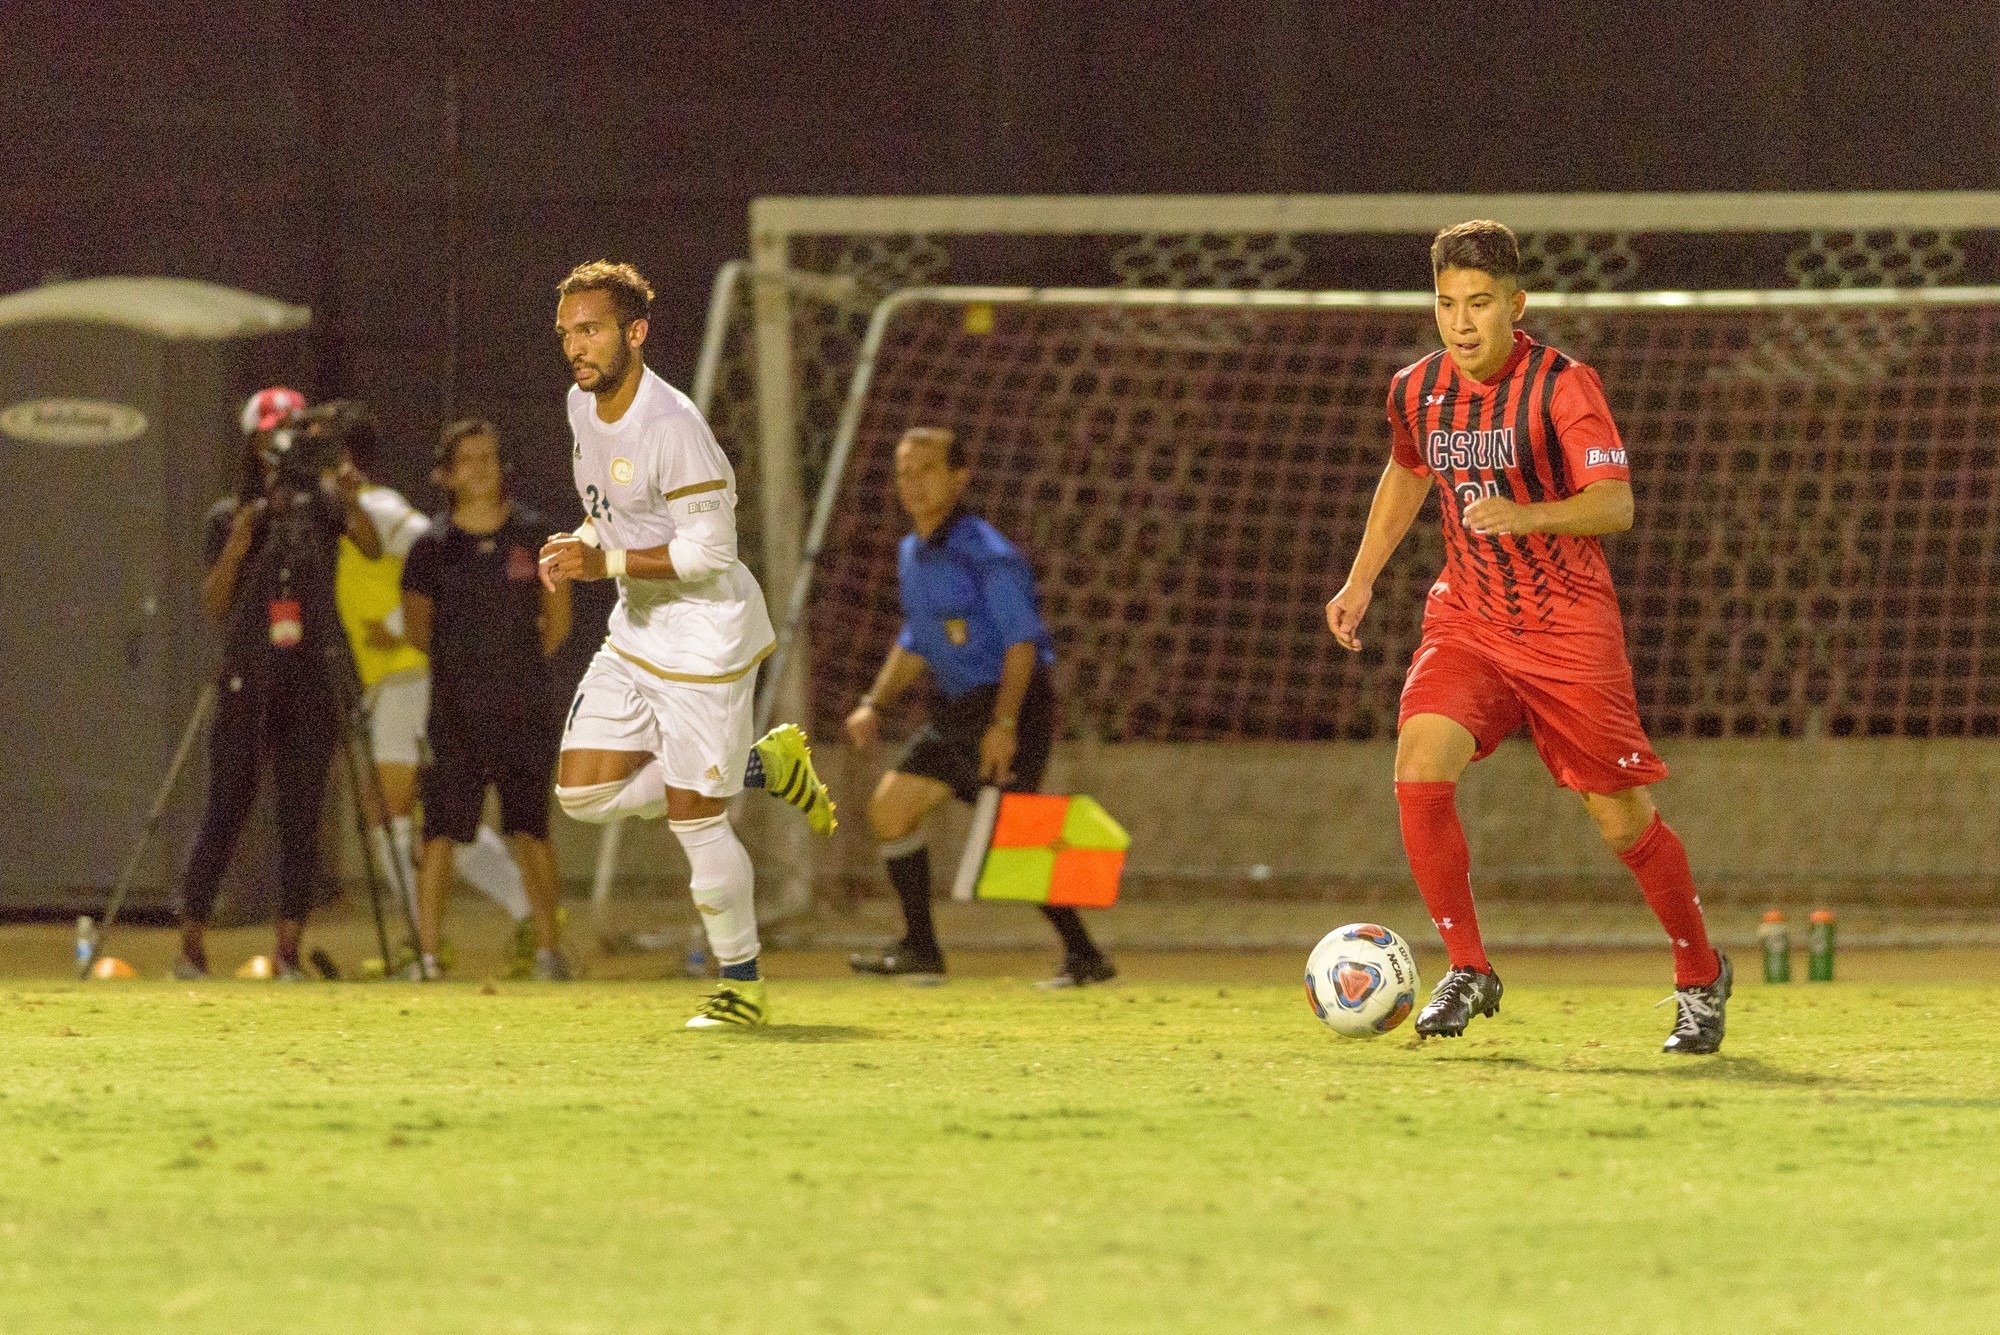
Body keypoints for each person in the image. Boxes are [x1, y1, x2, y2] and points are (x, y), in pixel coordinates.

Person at [1324, 219, 1731, 1054]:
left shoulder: (1563, 386)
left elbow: (1615, 504)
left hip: (1567, 628)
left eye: (1479, 303)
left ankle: (1700, 972)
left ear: (1516, 305)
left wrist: (1526, 515)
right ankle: (1469, 967)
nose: (1461, 322)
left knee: (1620, 821)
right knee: (1418, 765)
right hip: (1468, 619)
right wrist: (1361, 578)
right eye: (1447, 303)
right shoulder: (1415, 388)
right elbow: (1408, 469)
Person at [537, 259, 834, 1027]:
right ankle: (761, 765)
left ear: (636, 332)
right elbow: (612, 513)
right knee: (582, 793)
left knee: (694, 817)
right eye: (567, 332)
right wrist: (580, 541)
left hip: (705, 636)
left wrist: (602, 565)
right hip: (639, 625)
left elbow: (710, 552)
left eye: (592, 329)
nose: (577, 346)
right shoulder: (578, 405)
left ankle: (742, 985)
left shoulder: (672, 426)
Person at [844, 426, 1115, 989]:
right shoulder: (911, 552)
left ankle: (1086, 956)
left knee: (1015, 841)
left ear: (959, 478)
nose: (912, 483)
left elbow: (1022, 643)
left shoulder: (987, 553)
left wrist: (1004, 724)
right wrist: (874, 703)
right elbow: (916, 642)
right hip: (954, 711)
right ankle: (921, 951)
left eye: (927, 470)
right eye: (903, 472)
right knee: (890, 810)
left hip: (1009, 705)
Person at [174, 389, 381, 980]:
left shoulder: (323, 505)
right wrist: (241, 544)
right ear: (251, 442)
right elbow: (215, 604)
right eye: (271, 435)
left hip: (311, 674)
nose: (282, 445)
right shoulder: (231, 514)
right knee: (225, 809)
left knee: (301, 815)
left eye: (291, 433)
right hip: (246, 675)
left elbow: (371, 546)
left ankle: (288, 950)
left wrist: (349, 495)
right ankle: (190, 945)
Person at [330, 406, 541, 973]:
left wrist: (398, 624)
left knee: (390, 814)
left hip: (409, 676)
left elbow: (437, 550)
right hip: (395, 680)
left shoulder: (377, 507)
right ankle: (525, 916)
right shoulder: (342, 516)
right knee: (444, 820)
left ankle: (424, 942)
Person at [401, 417, 571, 980]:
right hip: (455, 716)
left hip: (524, 712)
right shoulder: (430, 548)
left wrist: (513, 667)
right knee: (439, 835)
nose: (479, 469)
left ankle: (549, 951)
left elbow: (558, 623)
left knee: (531, 830)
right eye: (466, 460)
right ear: (446, 474)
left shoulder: (535, 535)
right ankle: (427, 955)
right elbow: (418, 630)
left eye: (488, 457)